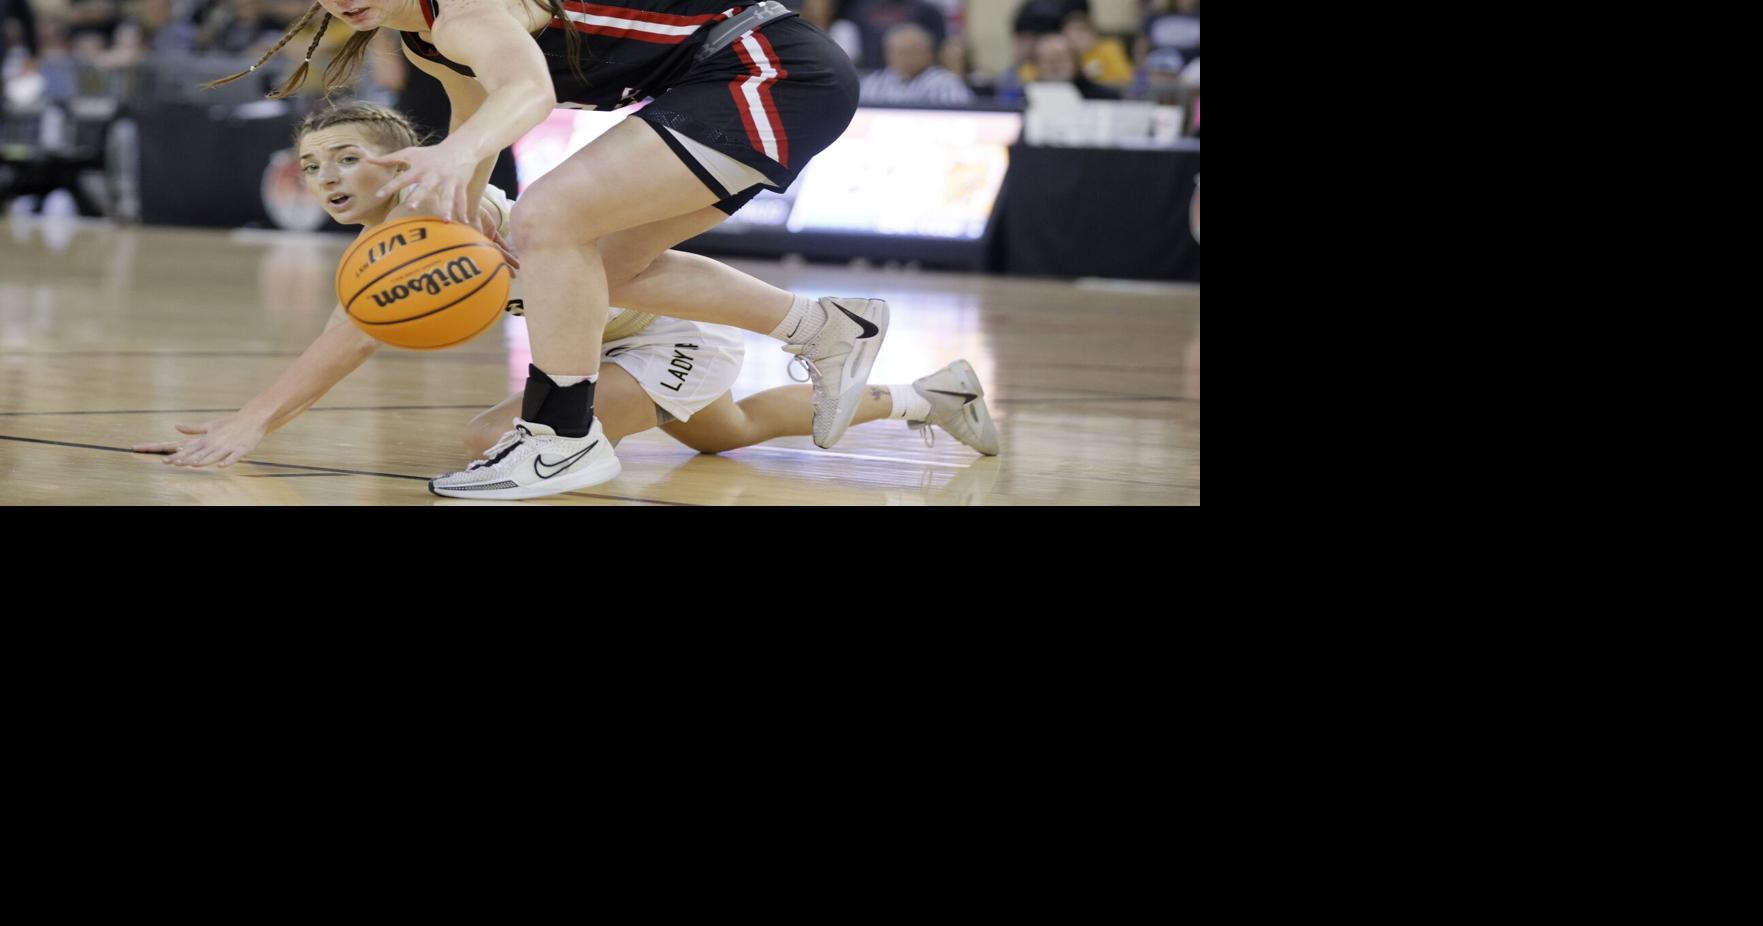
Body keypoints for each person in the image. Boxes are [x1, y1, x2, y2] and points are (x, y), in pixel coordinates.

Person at [206, 1, 890, 498]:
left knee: (549, 218)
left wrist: (459, 154)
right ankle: (830, 327)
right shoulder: (426, 42)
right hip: (732, 82)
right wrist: (454, 211)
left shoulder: (464, 12)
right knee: (610, 267)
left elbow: (526, 92)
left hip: (763, 71)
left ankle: (560, 439)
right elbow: (478, 118)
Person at [131, 102, 999, 484]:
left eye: (347, 156)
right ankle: (931, 393)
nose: (326, 176)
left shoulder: (465, 213)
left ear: (404, 161)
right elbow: (342, 341)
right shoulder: (381, 255)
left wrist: (250, 424)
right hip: (608, 345)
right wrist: (247, 421)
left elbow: (349, 341)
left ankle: (580, 453)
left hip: (662, 331)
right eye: (314, 164)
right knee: (722, 436)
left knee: (490, 439)